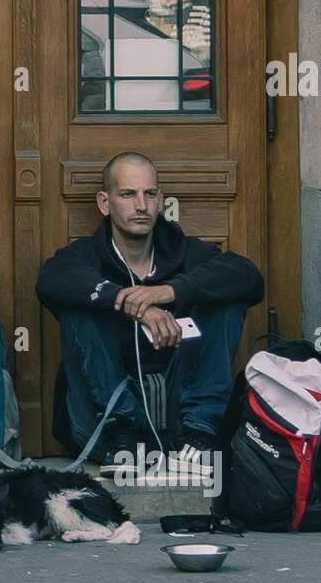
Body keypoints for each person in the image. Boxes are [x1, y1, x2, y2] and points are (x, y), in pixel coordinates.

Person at [36, 151, 264, 475]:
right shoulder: (83, 258)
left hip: (182, 425)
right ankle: (124, 431)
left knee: (225, 295)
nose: (141, 206)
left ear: (160, 201)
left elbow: (249, 277)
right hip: (108, 431)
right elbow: (51, 280)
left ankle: (199, 435)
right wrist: (129, 302)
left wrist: (168, 292)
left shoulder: (186, 253)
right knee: (80, 305)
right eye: (128, 194)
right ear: (105, 202)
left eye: (150, 194)